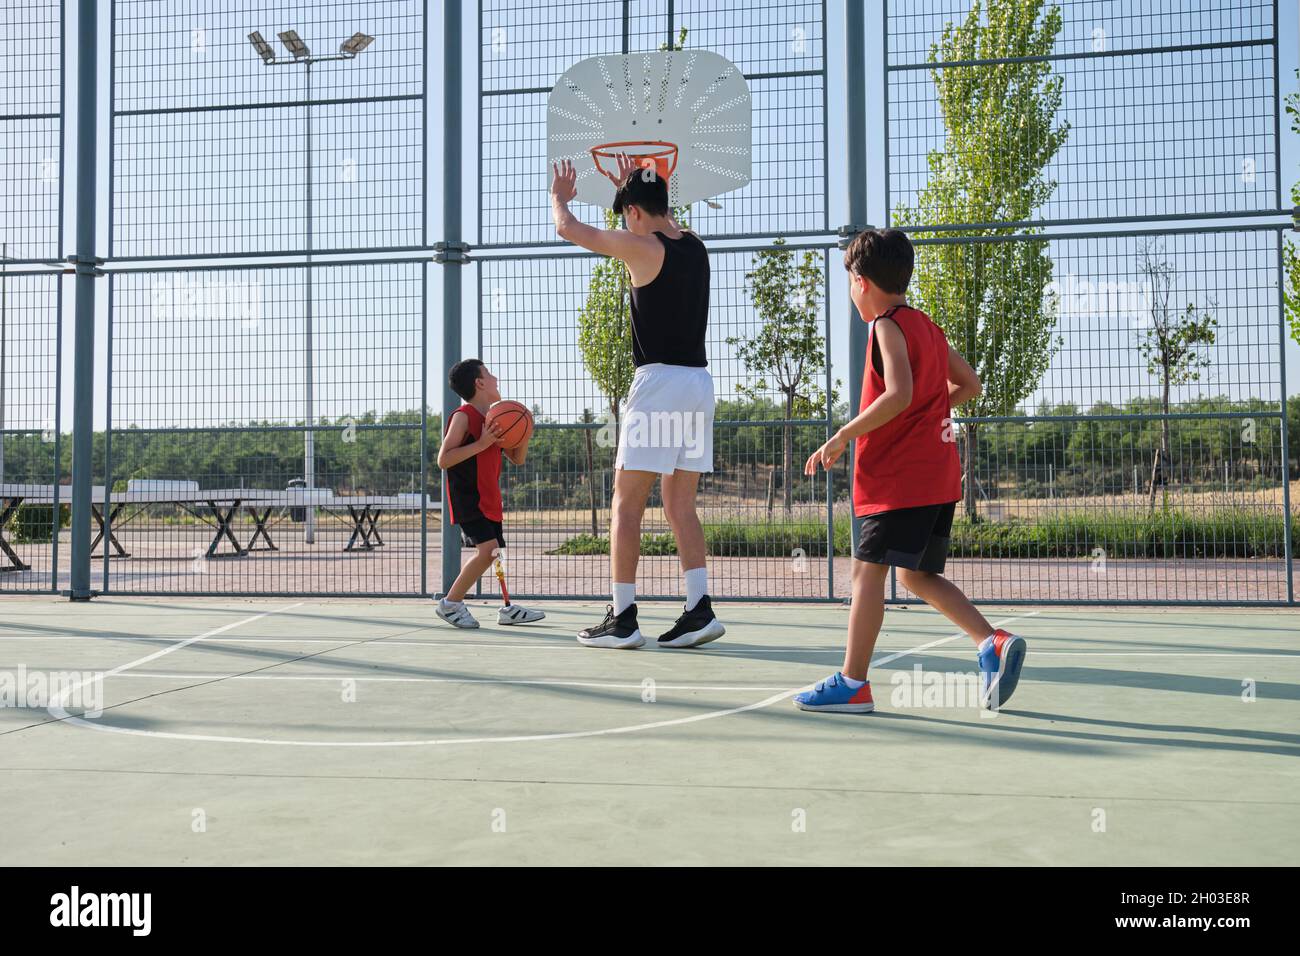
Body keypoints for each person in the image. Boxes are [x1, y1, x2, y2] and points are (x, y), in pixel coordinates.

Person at [798, 229, 1027, 712]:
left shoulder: (885, 324)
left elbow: (898, 393)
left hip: (896, 481)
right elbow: (969, 385)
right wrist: (928, 409)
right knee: (917, 576)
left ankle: (853, 683)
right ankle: (992, 643)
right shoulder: (928, 326)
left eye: (848, 282)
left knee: (866, 574)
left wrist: (843, 435)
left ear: (860, 282)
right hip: (938, 477)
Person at [550, 156, 724, 650]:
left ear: (633, 212)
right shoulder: (693, 244)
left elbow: (568, 229)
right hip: (698, 384)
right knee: (679, 503)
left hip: (659, 386)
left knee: (625, 505)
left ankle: (622, 618)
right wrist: (629, 186)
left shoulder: (642, 248)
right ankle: (698, 608)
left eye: (625, 211)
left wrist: (560, 195)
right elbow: (657, 216)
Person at [435, 359, 545, 628]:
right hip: (469, 498)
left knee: (496, 552)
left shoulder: (497, 418)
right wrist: (483, 443)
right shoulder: (464, 417)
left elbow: (517, 458)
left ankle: (507, 608)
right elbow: (444, 459)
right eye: (489, 374)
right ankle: (451, 603)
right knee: (488, 551)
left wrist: (526, 430)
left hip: (489, 497)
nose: (496, 378)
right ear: (479, 383)